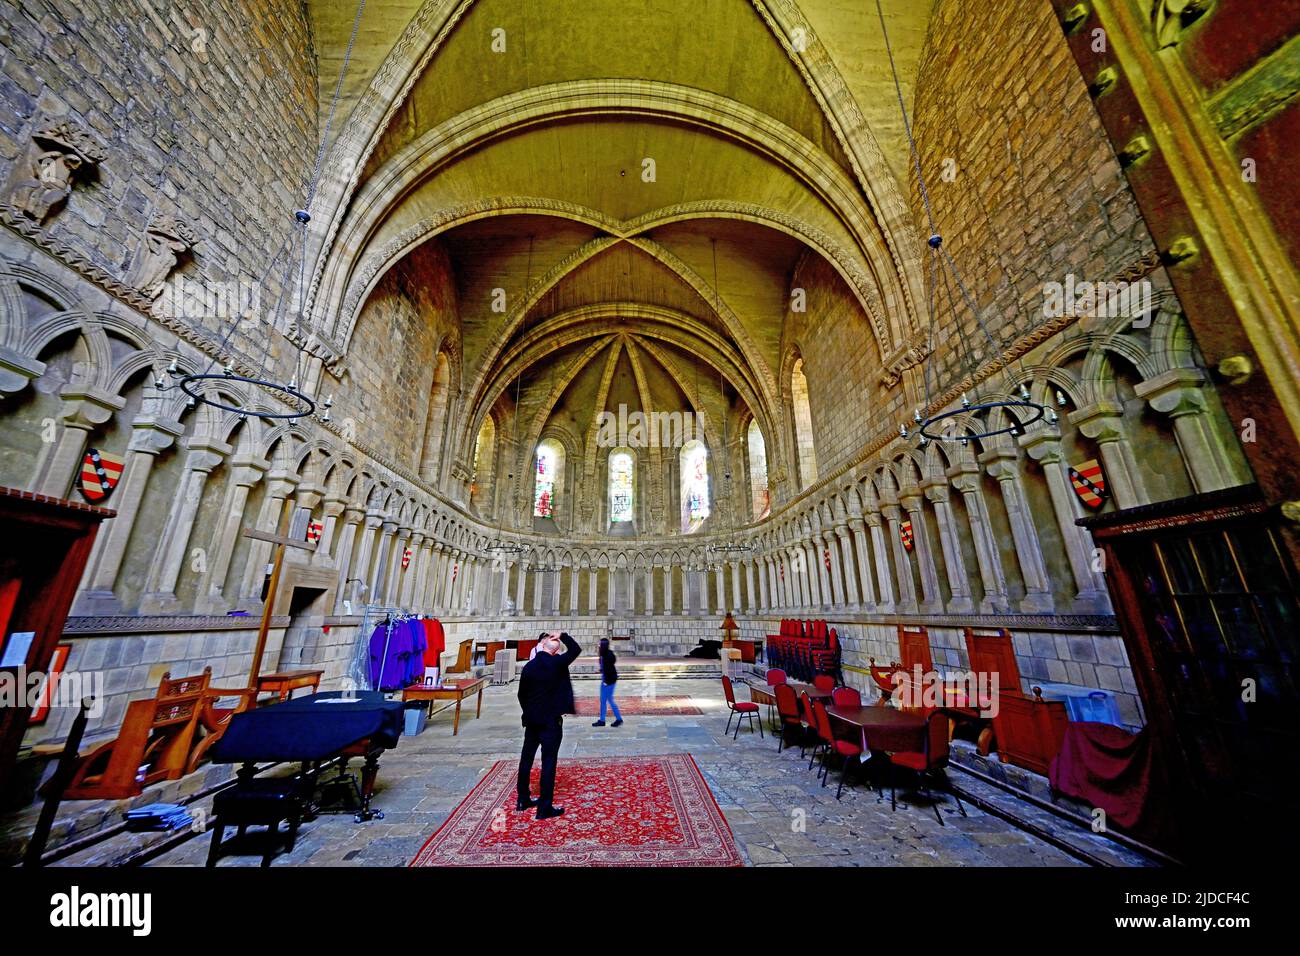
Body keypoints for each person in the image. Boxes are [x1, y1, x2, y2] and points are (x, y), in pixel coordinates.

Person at [516, 631, 581, 819]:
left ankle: (523, 799)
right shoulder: (557, 664)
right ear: (556, 651)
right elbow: (575, 649)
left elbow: (521, 695)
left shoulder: (529, 667)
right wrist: (562, 635)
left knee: (526, 759)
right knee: (549, 762)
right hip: (550, 722)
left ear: (542, 647)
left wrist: (529, 712)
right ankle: (544, 807)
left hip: (532, 721)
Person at [592, 637, 623, 727]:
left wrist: (607, 682)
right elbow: (605, 668)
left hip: (609, 681)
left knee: (610, 700)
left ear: (603, 645)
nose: (598, 645)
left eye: (599, 644)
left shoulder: (607, 656)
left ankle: (619, 719)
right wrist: (600, 670)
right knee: (602, 700)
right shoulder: (603, 654)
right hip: (605, 680)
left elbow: (610, 670)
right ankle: (602, 720)